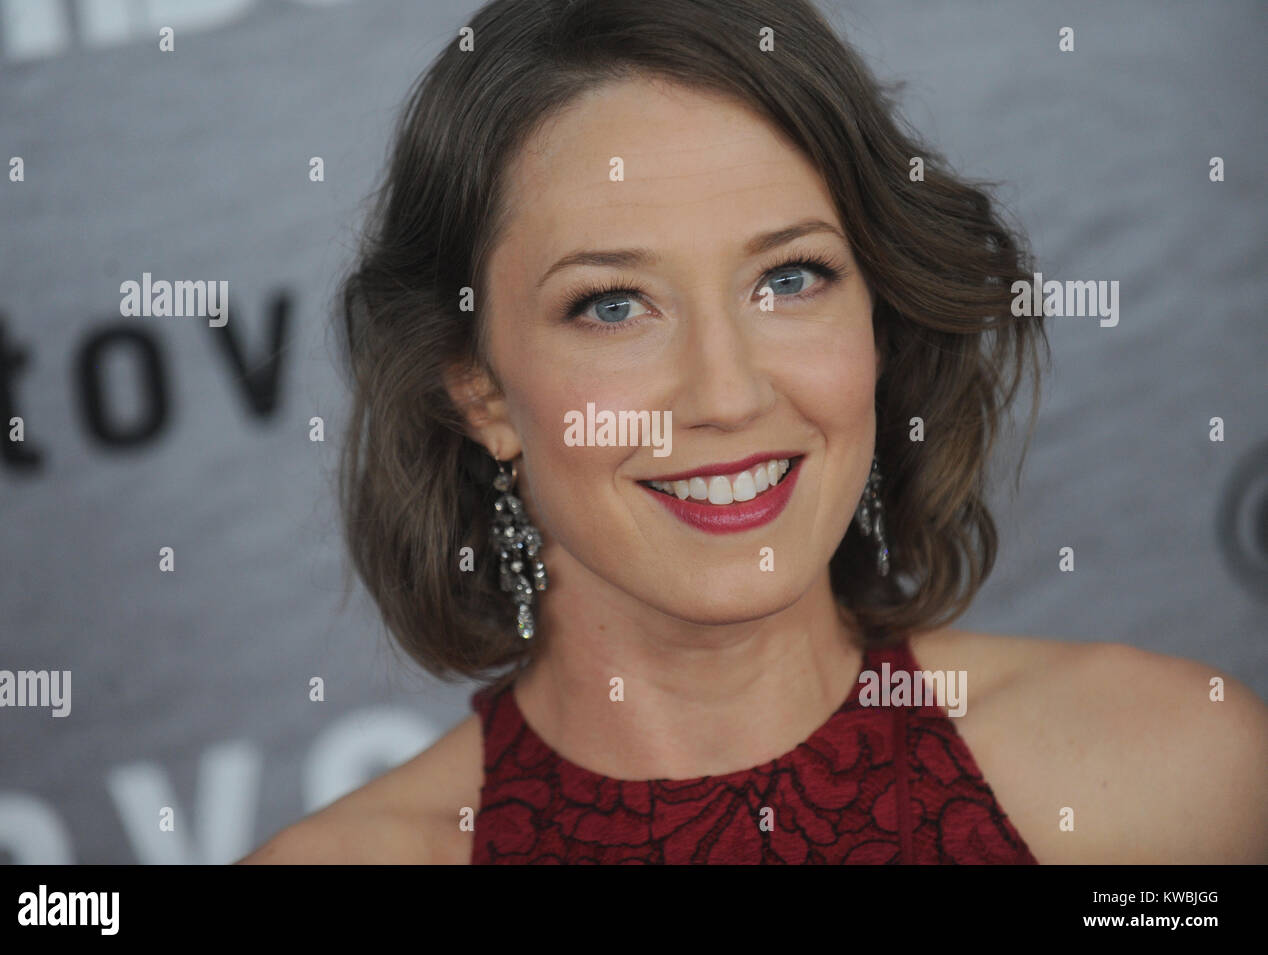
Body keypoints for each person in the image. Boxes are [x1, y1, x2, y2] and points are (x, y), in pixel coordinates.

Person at [240, 0, 1267, 864]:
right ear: (479, 392)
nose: (726, 394)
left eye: (790, 278)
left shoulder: (1171, 779)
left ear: (877, 313)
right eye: (610, 304)